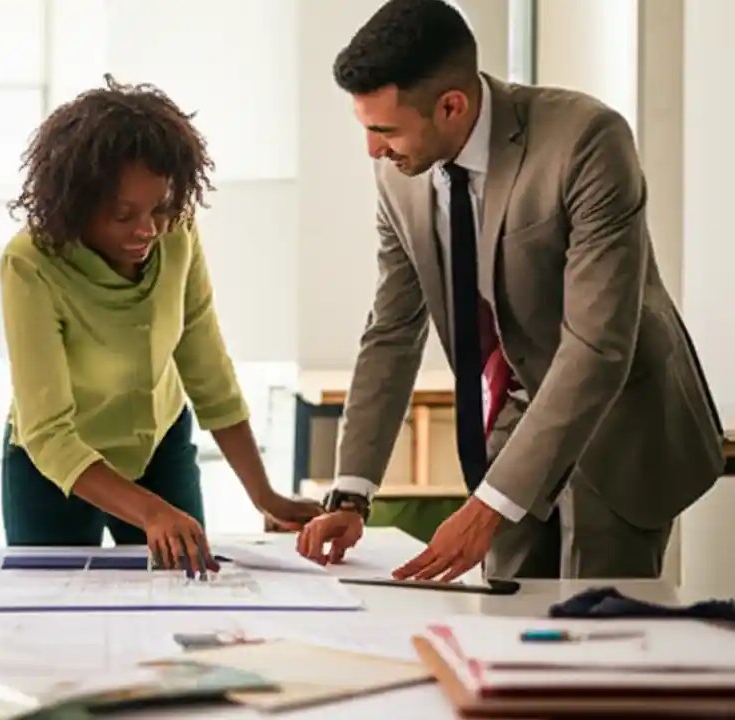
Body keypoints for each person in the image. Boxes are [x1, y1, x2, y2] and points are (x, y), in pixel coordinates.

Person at [298, 0, 723, 581]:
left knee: (593, 622)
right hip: (514, 412)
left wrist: (489, 506)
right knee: (501, 608)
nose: (373, 150)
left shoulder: (586, 140)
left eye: (385, 130)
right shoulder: (399, 173)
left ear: (452, 105)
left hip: (617, 420)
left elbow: (597, 346)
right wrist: (351, 495)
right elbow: (392, 330)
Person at [0, 76, 323, 574]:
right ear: (76, 204)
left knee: (183, 595)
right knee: (52, 606)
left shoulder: (177, 233)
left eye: (160, 208)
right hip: (56, 465)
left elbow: (208, 371)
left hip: (159, 446)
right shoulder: (29, 263)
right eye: (122, 214)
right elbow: (47, 433)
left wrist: (265, 496)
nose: (147, 229)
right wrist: (151, 512)